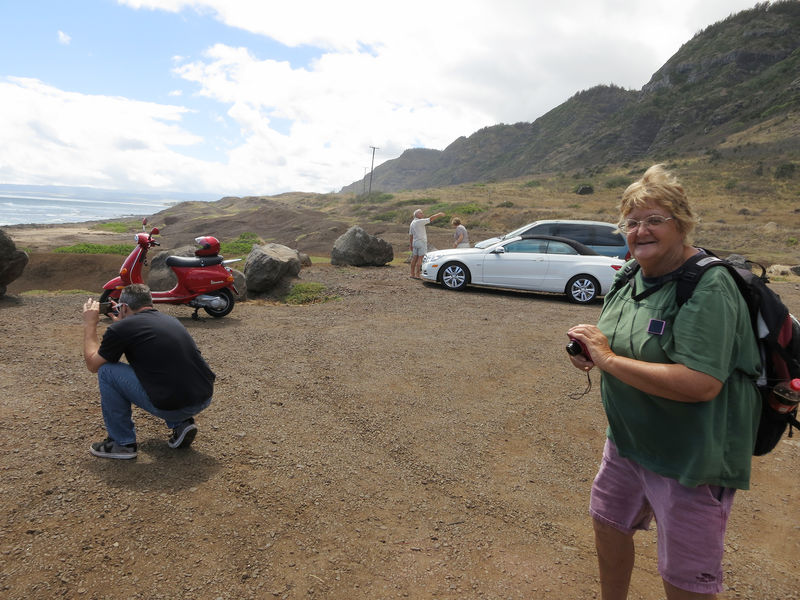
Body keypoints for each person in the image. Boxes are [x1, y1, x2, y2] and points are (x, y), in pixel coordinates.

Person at [566, 164, 760, 599]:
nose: (640, 231)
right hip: (628, 440)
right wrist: (592, 352)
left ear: (683, 224)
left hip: (689, 455)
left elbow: (700, 383)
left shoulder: (708, 285)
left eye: (655, 220)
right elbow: (617, 343)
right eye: (632, 222)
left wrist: (609, 359)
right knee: (608, 522)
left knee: (684, 573)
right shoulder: (631, 274)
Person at [82, 283, 215, 459]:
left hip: (174, 405)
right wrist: (123, 324)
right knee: (161, 365)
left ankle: (121, 443)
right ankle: (181, 423)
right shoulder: (169, 320)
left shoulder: (121, 329)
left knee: (107, 370)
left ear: (124, 307)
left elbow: (93, 364)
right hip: (203, 396)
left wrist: (90, 324)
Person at [409, 208, 445, 279]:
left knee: (414, 258)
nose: (422, 214)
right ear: (417, 215)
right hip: (421, 242)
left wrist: (410, 244)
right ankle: (417, 275)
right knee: (420, 258)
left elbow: (411, 235)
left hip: (415, 242)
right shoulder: (419, 221)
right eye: (421, 213)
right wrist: (439, 214)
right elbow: (430, 219)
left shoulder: (412, 223)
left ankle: (412, 274)